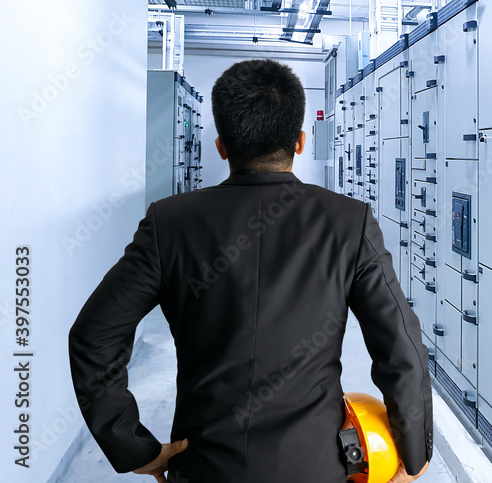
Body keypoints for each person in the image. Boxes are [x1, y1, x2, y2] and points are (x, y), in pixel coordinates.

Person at [69, 59, 432, 483]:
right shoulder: (348, 222)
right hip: (314, 467)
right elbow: (401, 347)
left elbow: (94, 335)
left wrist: (132, 447)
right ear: (299, 142)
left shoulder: (170, 223)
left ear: (221, 146)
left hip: (203, 466)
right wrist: (412, 458)